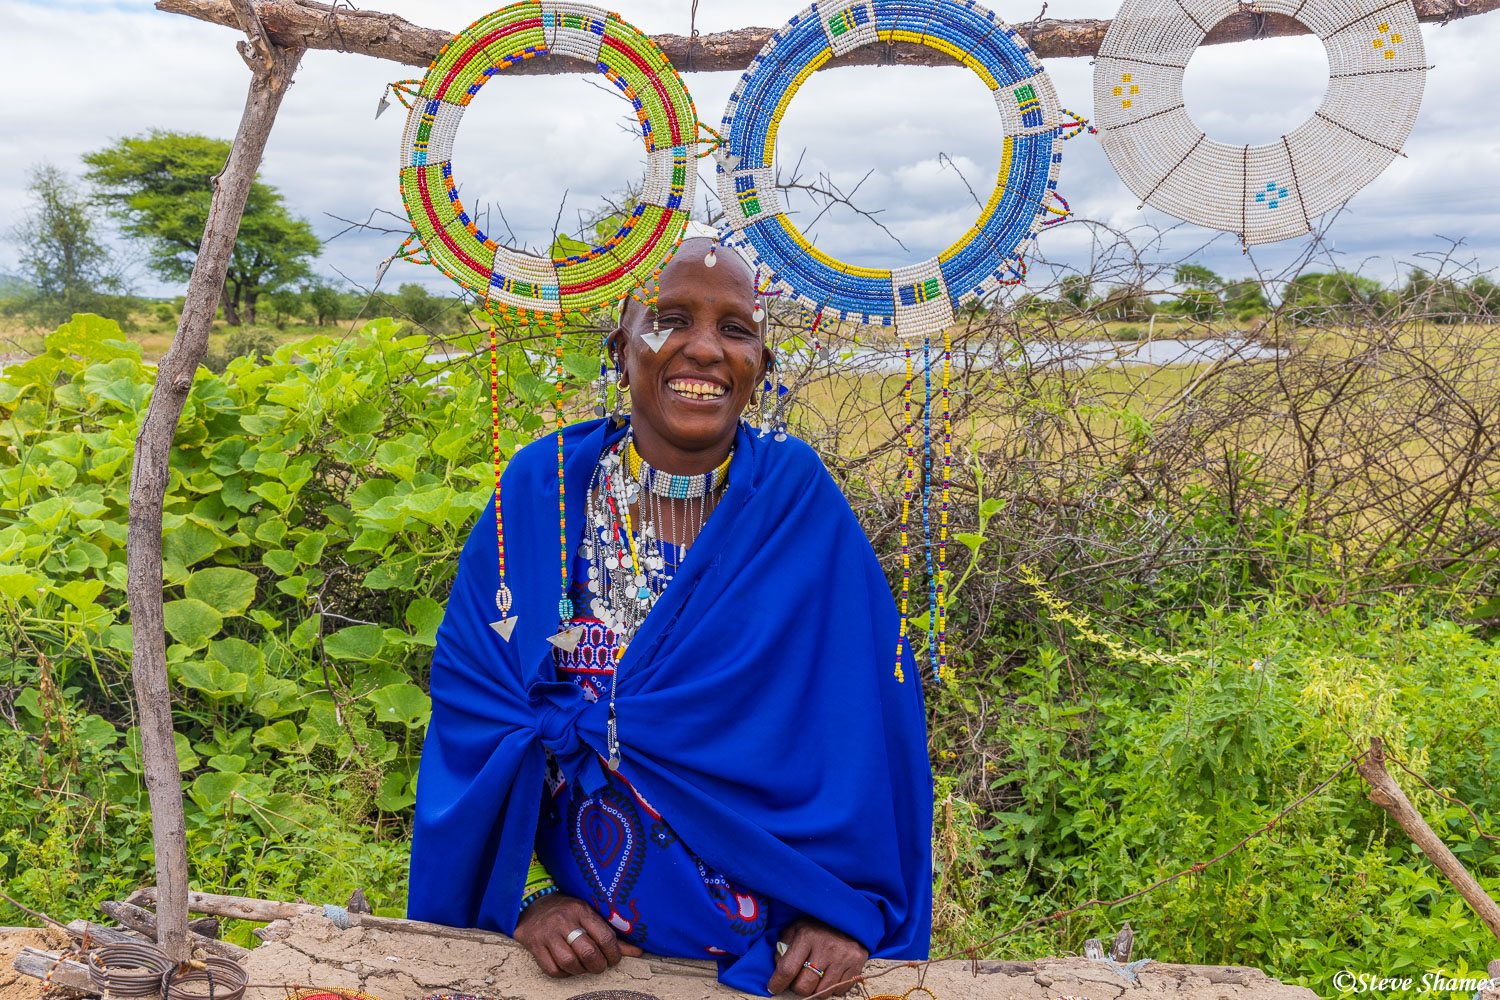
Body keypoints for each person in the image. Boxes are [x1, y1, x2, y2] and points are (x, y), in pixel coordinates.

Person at [407, 236, 932, 997]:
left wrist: (839, 914)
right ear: (620, 349)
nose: (704, 349)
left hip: (789, 956)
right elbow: (478, 708)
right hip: (595, 959)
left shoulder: (795, 504)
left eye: (736, 329)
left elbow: (863, 725)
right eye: (670, 318)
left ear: (763, 365)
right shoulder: (544, 491)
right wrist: (525, 906)